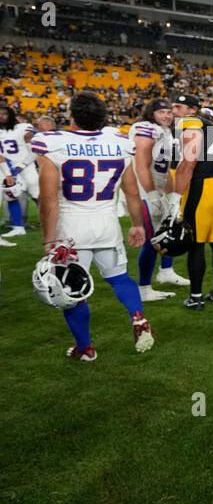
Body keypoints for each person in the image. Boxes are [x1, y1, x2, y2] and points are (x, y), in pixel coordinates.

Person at [36, 91, 155, 360]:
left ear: (72, 114)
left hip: (70, 228)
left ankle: (85, 348)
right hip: (107, 223)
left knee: (71, 292)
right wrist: (138, 224)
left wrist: (48, 238)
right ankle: (138, 317)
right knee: (120, 278)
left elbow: (49, 200)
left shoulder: (52, 142)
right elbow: (132, 192)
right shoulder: (119, 142)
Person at [171, 95, 213, 309]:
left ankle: (195, 297)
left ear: (192, 109)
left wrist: (175, 198)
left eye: (178, 106)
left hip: (202, 188)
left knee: (195, 243)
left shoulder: (190, 122)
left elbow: (188, 164)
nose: (174, 111)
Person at [129, 98, 187, 300]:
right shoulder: (145, 128)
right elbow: (141, 165)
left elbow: (164, 171)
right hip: (143, 190)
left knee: (167, 231)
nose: (166, 115)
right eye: (161, 112)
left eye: (169, 112)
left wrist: (172, 197)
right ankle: (144, 289)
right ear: (151, 113)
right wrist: (152, 194)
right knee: (152, 240)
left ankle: (166, 271)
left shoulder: (167, 132)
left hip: (158, 186)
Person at [0, 105, 36, 244]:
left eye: (4, 113)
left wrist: (11, 171)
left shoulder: (22, 127)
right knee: (11, 195)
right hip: (7, 166)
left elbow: (31, 141)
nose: (1, 116)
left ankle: (19, 226)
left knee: (14, 195)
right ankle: (17, 226)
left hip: (15, 166)